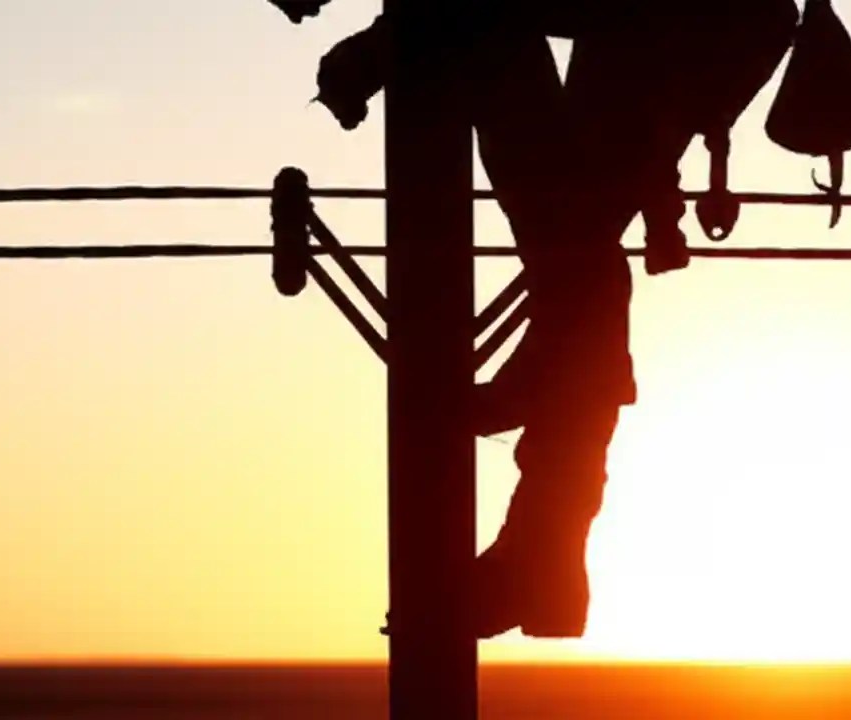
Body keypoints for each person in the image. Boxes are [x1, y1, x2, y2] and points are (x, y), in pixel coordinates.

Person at [277, 0, 797, 638]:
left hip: (685, 33)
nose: (294, 14)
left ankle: (542, 554)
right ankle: (543, 557)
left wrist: (378, 50)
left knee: (574, 254)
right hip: (670, 40)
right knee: (579, 264)